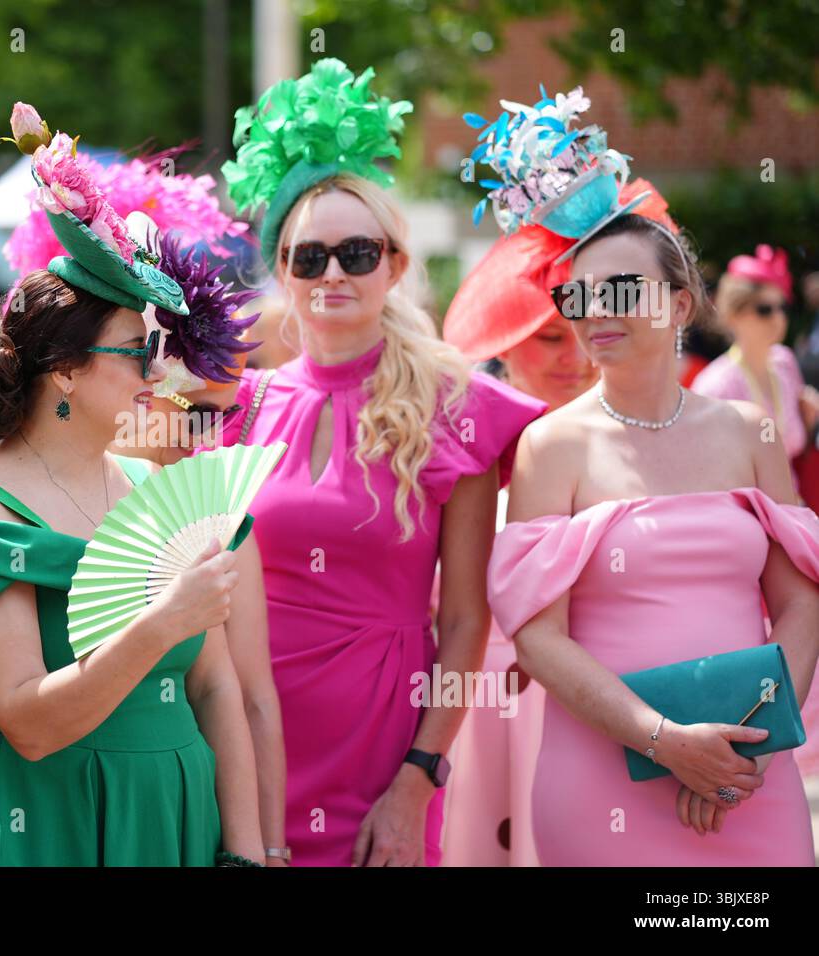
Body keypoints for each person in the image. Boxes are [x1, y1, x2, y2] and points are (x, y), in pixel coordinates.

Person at [0, 105, 264, 866]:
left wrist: (246, 854)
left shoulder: (157, 490)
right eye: (135, 351)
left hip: (175, 820)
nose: (158, 373)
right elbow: (28, 720)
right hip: (48, 823)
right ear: (64, 370)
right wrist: (162, 620)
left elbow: (217, 689)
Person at [218, 59, 545, 866]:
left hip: (387, 752)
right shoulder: (240, 409)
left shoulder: (456, 408)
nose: (333, 273)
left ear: (396, 265)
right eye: (308, 256)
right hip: (246, 743)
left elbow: (467, 623)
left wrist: (419, 780)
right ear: (283, 272)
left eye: (358, 253)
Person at [490, 213, 819, 864]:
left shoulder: (747, 431)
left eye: (620, 289)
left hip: (749, 774)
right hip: (603, 777)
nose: (595, 312)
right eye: (578, 295)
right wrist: (665, 741)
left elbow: (803, 601)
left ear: (680, 303)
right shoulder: (551, 446)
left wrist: (746, 742)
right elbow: (537, 635)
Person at [441, 120, 681, 864]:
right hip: (488, 711)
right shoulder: (469, 449)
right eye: (548, 338)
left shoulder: (653, 433)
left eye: (580, 325)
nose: (575, 353)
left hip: (627, 708)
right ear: (505, 348)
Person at [693, 246, 818, 468]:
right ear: (733, 315)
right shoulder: (715, 385)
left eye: (783, 307)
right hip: (743, 502)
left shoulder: (784, 363)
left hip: (793, 501)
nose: (778, 318)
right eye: (764, 309)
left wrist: (809, 420)